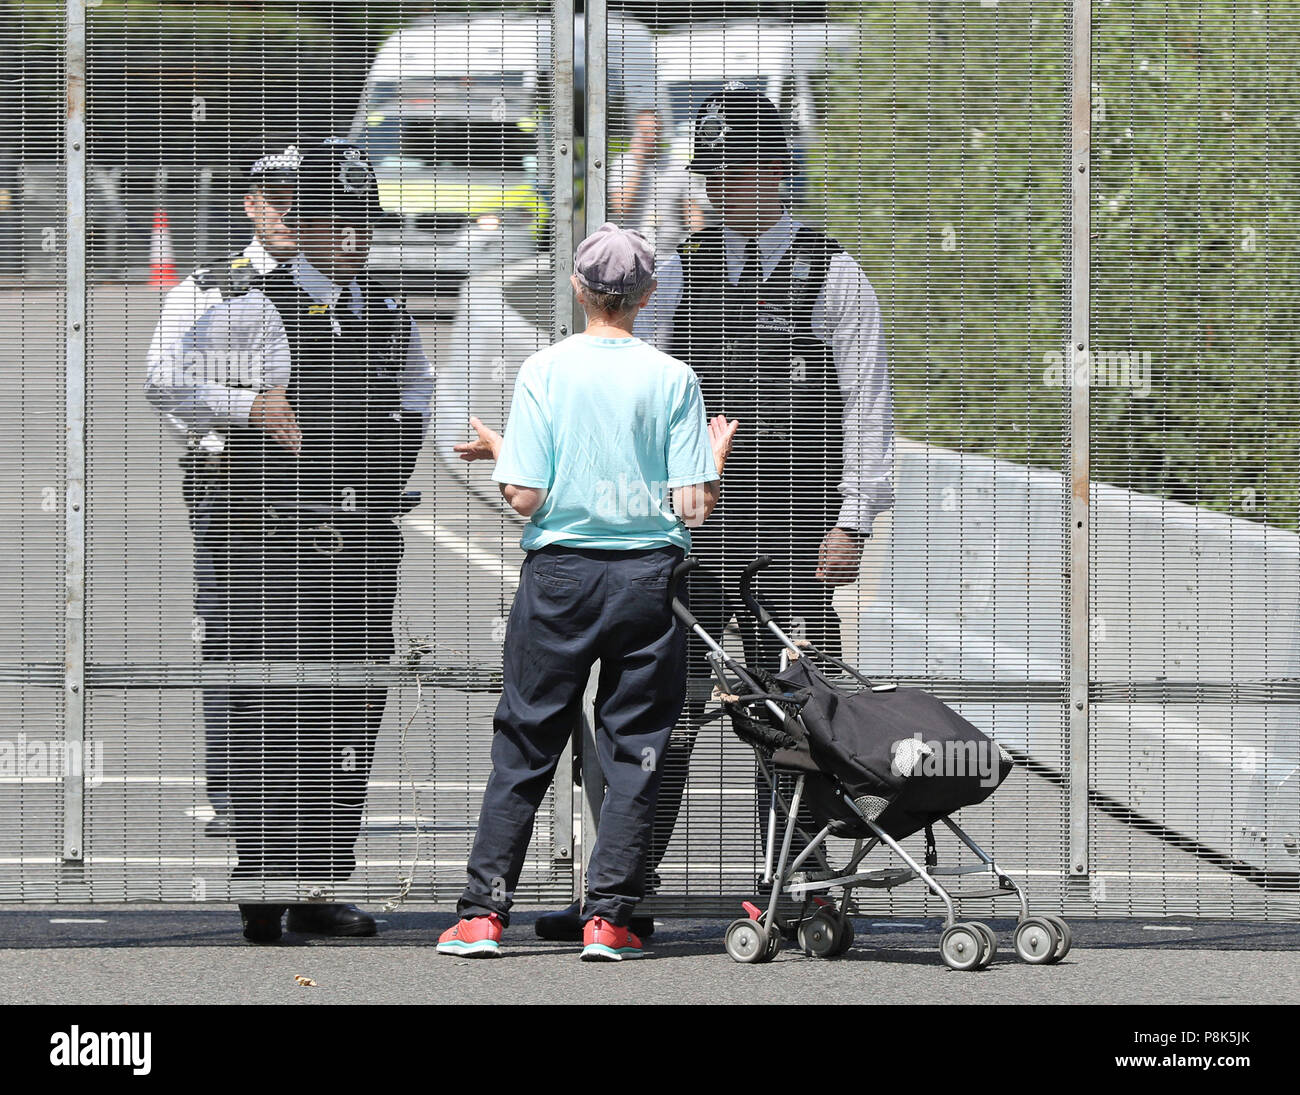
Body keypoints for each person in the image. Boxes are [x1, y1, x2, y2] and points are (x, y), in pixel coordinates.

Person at [534, 83, 896, 941]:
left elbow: (868, 405)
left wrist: (855, 518)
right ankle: (621, 894)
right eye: (715, 171)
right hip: (688, 528)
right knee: (662, 707)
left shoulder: (833, 270)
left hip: (795, 531)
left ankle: (795, 892)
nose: (726, 185)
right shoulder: (674, 270)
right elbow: (631, 390)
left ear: (777, 171)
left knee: (796, 709)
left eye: (742, 169)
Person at [155, 138, 433, 943]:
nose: (352, 236)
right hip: (257, 532)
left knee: (348, 700)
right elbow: (169, 386)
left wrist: (384, 463)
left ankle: (317, 876)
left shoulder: (382, 308)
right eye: (334, 220)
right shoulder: (239, 298)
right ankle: (263, 872)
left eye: (362, 221)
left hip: (358, 539)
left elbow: (416, 389)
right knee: (268, 691)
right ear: (302, 224)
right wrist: (244, 415)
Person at [436, 223, 737, 960]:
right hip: (645, 577)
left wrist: (502, 452)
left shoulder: (545, 369)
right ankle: (609, 917)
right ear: (648, 293)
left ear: (578, 289)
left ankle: (482, 914)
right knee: (634, 744)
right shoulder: (673, 379)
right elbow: (694, 506)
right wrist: (715, 456)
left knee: (527, 737)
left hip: (561, 575)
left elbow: (526, 497)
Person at [145, 135, 300, 839]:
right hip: (230, 484)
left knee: (316, 640)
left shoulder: (344, 288)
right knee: (235, 639)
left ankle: (304, 792)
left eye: (304, 199)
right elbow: (163, 383)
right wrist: (242, 411)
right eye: (276, 200)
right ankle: (236, 792)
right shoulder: (205, 288)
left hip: (327, 490)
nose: (290, 213)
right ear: (252, 206)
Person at [608, 109, 693, 258]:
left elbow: (691, 210)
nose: (651, 137)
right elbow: (620, 207)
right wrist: (639, 164)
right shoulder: (623, 164)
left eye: (655, 131)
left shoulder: (677, 165)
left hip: (671, 256)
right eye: (645, 132)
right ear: (636, 134)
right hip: (633, 256)